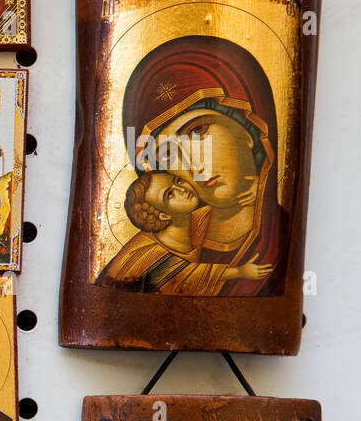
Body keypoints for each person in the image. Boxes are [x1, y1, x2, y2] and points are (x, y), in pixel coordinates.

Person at [95, 35, 287, 297]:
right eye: (168, 154)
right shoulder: (159, 249)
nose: (193, 165)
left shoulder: (286, 239)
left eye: (198, 131)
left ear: (247, 130)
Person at [97, 171, 273, 294]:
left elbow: (222, 209)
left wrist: (257, 188)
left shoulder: (191, 220)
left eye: (177, 181)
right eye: (170, 195)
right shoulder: (151, 255)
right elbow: (187, 276)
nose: (183, 190)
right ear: (164, 215)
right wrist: (241, 272)